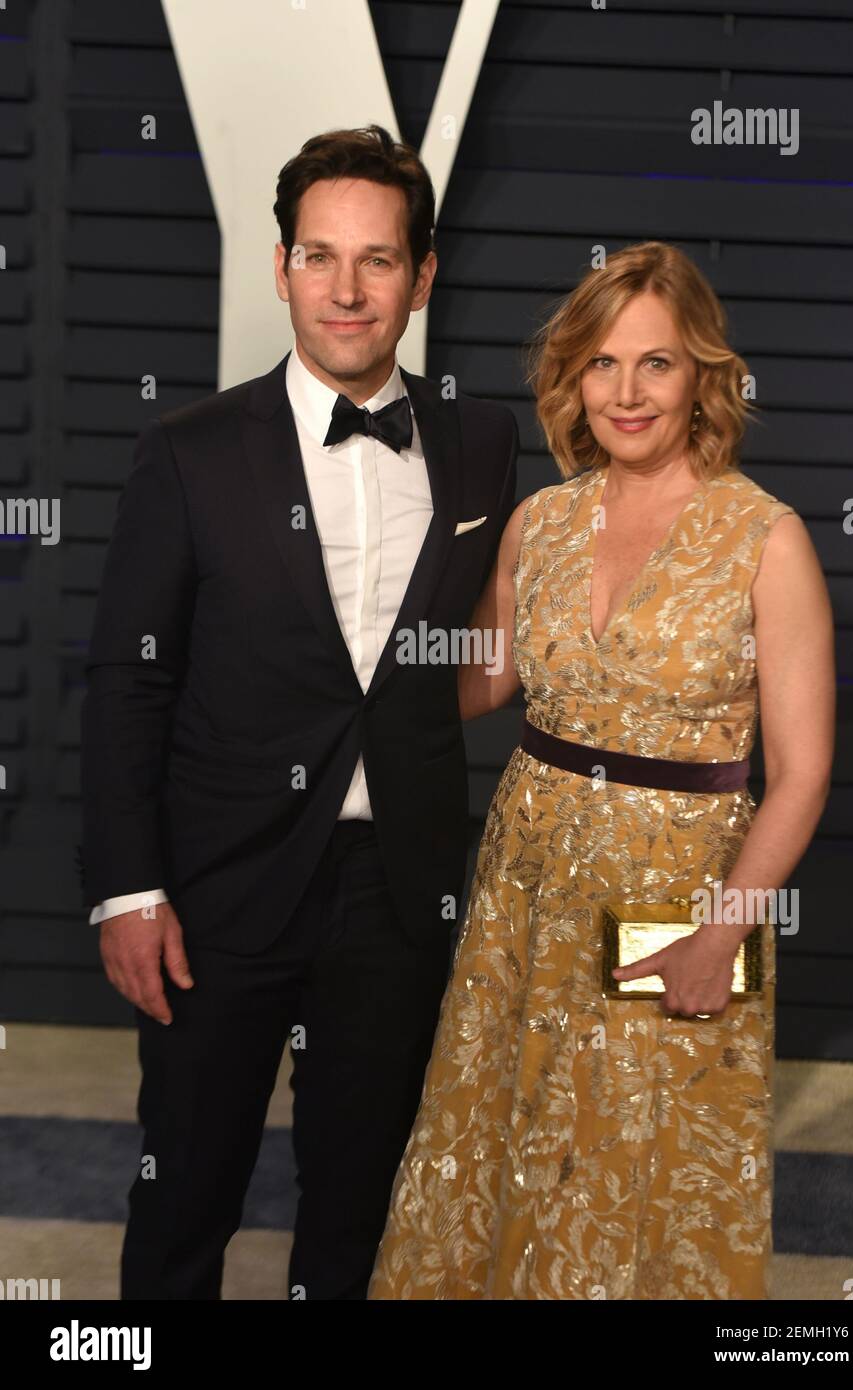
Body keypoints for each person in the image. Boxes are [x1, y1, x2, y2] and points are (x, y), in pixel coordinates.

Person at [78, 124, 518, 1300]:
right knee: (184, 1197)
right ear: (279, 267)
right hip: (218, 882)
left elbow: (483, 649)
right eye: (318, 256)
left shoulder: (482, 445)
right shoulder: (187, 451)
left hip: (397, 886)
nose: (346, 288)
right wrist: (130, 888)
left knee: (362, 1197)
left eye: (377, 260)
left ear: (422, 277)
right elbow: (128, 678)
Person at [368, 240, 834, 1300]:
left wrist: (723, 933)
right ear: (572, 377)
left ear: (702, 375)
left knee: (648, 1162)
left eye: (656, 364)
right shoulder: (540, 519)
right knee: (498, 1136)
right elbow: (478, 679)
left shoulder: (765, 539)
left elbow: (800, 772)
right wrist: (326, 693)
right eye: (601, 363)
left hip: (683, 896)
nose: (625, 392)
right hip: (524, 889)